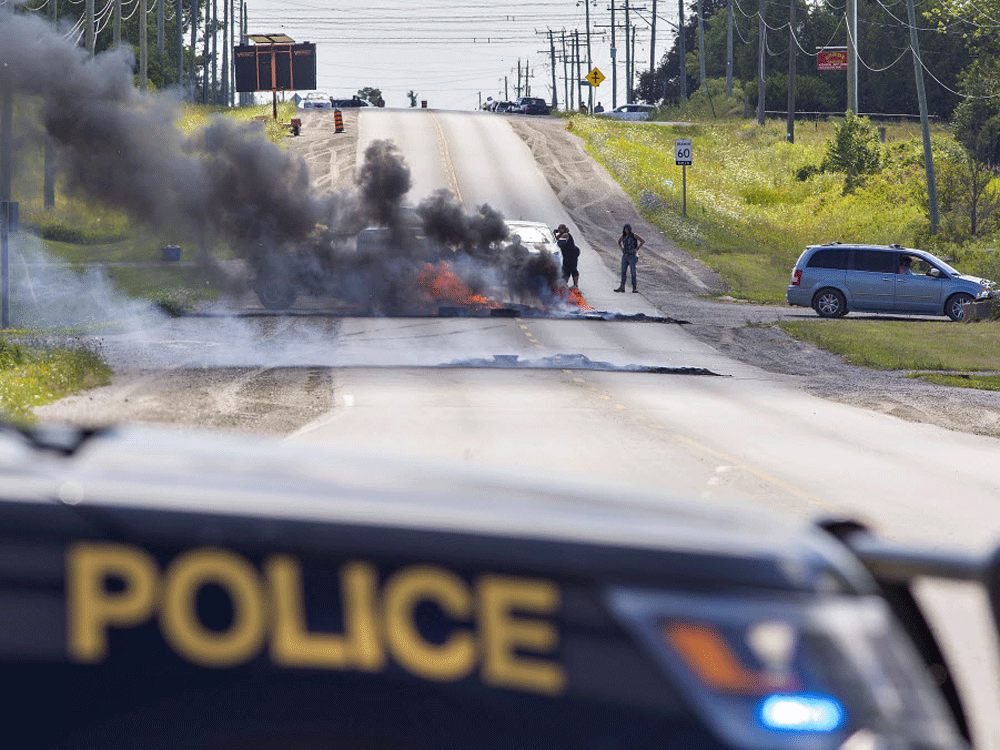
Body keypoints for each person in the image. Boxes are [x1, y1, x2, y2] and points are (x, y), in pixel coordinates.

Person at [615, 224, 644, 292]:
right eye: (625, 229)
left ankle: (634, 288)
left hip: (632, 256)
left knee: (633, 272)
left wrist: (637, 248)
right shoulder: (624, 236)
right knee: (623, 271)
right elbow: (619, 241)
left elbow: (642, 241)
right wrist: (622, 248)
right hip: (625, 256)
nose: (626, 230)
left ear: (630, 229)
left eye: (627, 229)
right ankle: (622, 286)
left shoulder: (634, 235)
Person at [555, 224, 580, 288]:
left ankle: (575, 284)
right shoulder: (560, 235)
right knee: (566, 269)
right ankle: (565, 284)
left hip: (572, 254)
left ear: (564, 229)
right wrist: (554, 234)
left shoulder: (565, 235)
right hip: (566, 255)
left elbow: (559, 243)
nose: (559, 230)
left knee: (573, 269)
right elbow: (555, 240)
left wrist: (555, 237)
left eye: (560, 228)